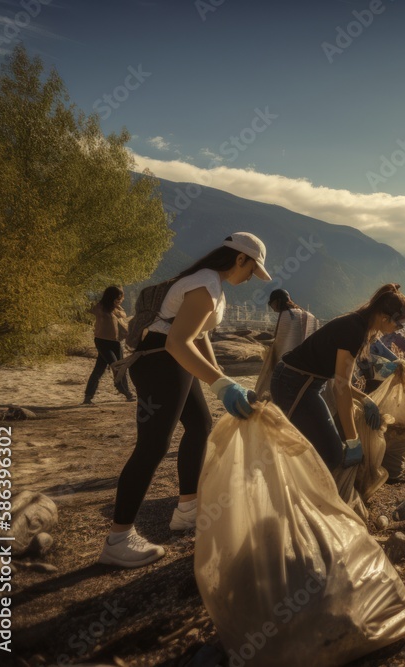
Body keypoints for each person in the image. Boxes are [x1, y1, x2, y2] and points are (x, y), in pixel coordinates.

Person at [98, 232, 272, 568]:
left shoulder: (211, 286)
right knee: (153, 446)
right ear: (240, 259)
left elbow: (200, 334)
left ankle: (188, 509)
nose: (251, 277)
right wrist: (219, 384)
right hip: (161, 362)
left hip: (171, 361)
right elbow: (179, 341)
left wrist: (221, 377)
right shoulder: (206, 283)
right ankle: (118, 539)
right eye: (252, 269)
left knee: (200, 424)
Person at [270, 283, 405, 473]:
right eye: (399, 324)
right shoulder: (354, 329)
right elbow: (341, 387)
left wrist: (365, 399)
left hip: (307, 383)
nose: (398, 330)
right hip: (294, 384)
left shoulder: (359, 324)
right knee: (331, 454)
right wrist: (353, 440)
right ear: (385, 317)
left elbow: (340, 380)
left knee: (314, 446)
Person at [255, 289, 317, 398]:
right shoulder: (309, 315)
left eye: (271, 303)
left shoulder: (285, 315)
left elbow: (280, 344)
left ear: (278, 301)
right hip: (309, 366)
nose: (272, 307)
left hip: (289, 366)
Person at [84, 286, 134, 404]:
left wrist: (116, 305)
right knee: (116, 366)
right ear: (112, 297)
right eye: (119, 297)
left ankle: (88, 396)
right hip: (102, 342)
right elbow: (87, 310)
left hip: (116, 343)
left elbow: (123, 317)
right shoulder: (99, 307)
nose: (121, 299)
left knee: (100, 369)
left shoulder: (117, 308)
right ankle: (125, 391)